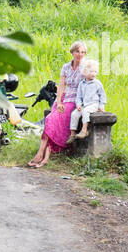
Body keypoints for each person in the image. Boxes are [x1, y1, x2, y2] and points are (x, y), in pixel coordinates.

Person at [29, 40, 86, 168]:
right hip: (64, 98)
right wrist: (59, 101)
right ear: (72, 52)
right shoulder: (66, 67)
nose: (80, 54)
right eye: (77, 51)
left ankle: (42, 155)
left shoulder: (85, 67)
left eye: (82, 52)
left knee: (52, 120)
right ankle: (43, 155)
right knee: (50, 119)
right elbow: (61, 86)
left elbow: (90, 85)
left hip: (75, 100)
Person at [69, 59, 106, 139]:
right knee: (74, 114)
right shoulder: (81, 84)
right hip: (84, 105)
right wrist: (78, 104)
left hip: (94, 104)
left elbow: (102, 96)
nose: (93, 74)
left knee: (85, 112)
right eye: (91, 71)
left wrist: (101, 106)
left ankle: (84, 130)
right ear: (84, 72)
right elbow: (78, 96)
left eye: (95, 71)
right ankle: (72, 133)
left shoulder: (97, 83)